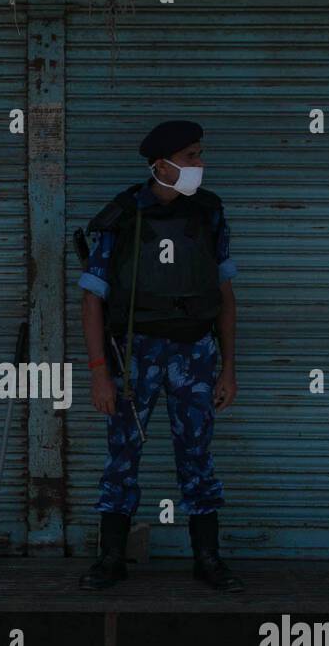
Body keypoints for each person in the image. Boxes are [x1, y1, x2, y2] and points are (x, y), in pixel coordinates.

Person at [78, 120, 243, 592]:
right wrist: (98, 374)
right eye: (192, 156)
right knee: (122, 455)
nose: (200, 164)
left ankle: (207, 559)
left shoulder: (209, 213)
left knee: (197, 455)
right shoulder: (123, 216)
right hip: (135, 356)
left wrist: (228, 368)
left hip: (194, 354)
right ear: (162, 164)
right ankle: (111, 558)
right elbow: (91, 299)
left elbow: (226, 296)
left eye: (199, 154)